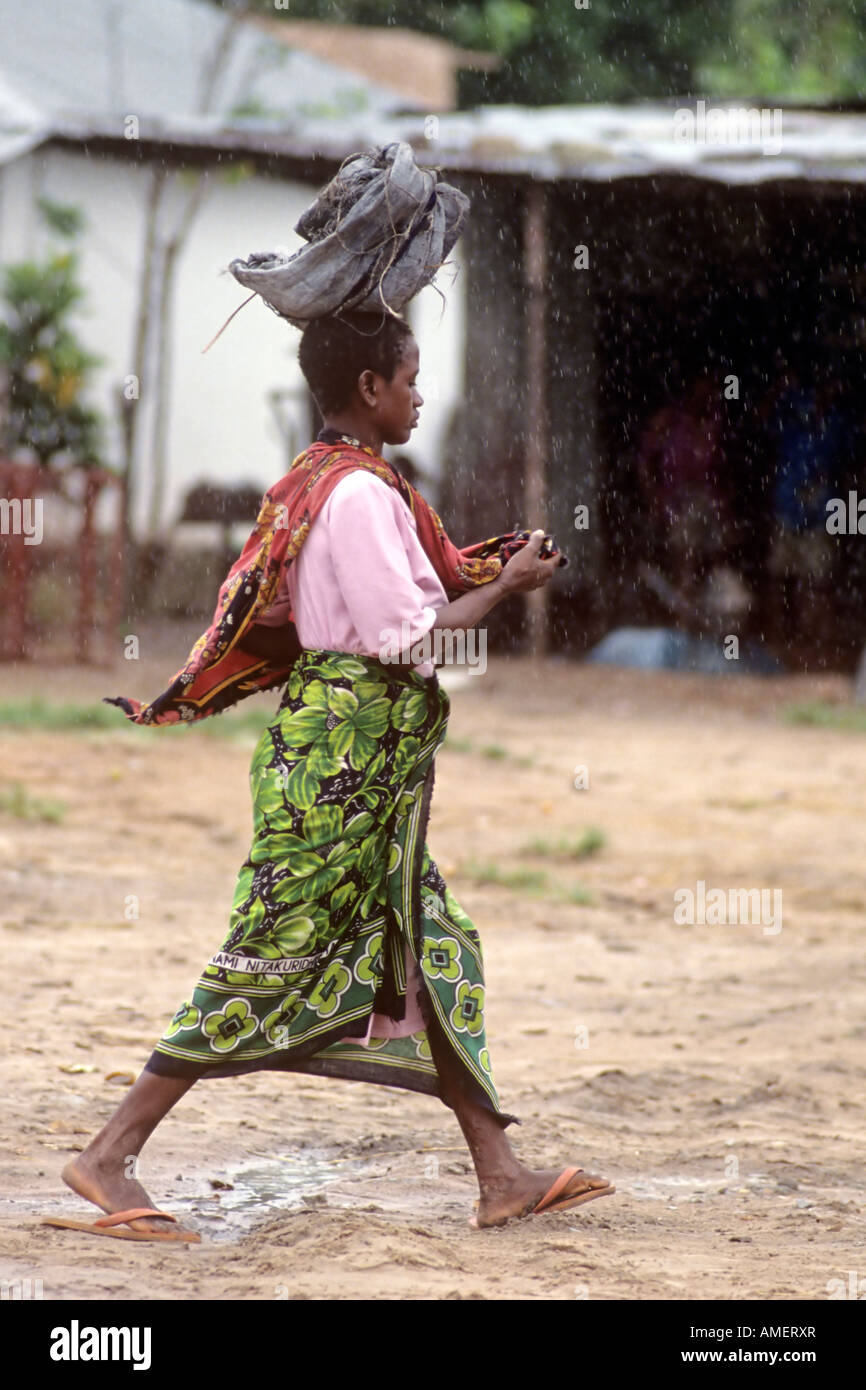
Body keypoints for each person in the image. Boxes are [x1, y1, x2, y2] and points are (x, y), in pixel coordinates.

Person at [49, 310, 614, 1240]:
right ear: (369, 389)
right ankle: (108, 1157)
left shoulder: (339, 484)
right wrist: (507, 589)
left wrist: (498, 579)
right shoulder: (353, 498)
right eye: (410, 376)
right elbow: (410, 638)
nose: (420, 393)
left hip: (366, 772)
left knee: (435, 946)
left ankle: (500, 1174)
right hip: (337, 769)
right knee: (268, 950)